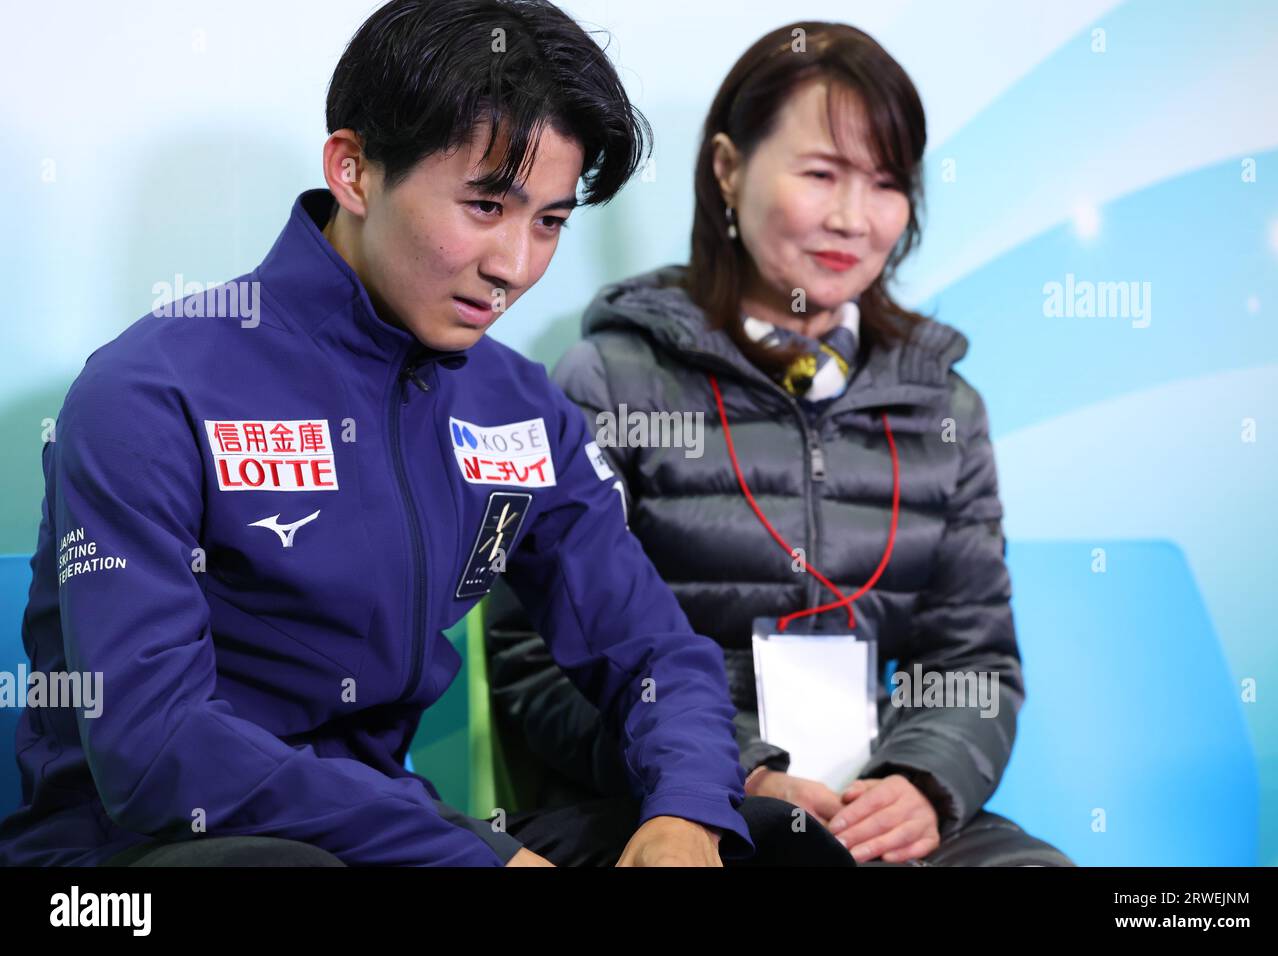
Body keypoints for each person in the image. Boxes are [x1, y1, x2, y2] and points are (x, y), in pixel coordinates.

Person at [0, 0, 832, 869]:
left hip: (396, 836)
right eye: (484, 205)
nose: (514, 265)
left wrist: (688, 810)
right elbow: (155, 749)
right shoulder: (148, 390)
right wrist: (476, 859)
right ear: (354, 171)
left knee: (775, 845)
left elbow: (653, 648)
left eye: (549, 222)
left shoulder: (517, 407)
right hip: (134, 859)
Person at [487, 21, 1075, 866]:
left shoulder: (944, 406)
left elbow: (973, 657)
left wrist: (923, 781)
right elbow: (540, 661)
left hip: (871, 810)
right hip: (674, 808)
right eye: (821, 173)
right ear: (728, 169)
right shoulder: (610, 380)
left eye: (884, 182)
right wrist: (739, 773)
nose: (852, 217)